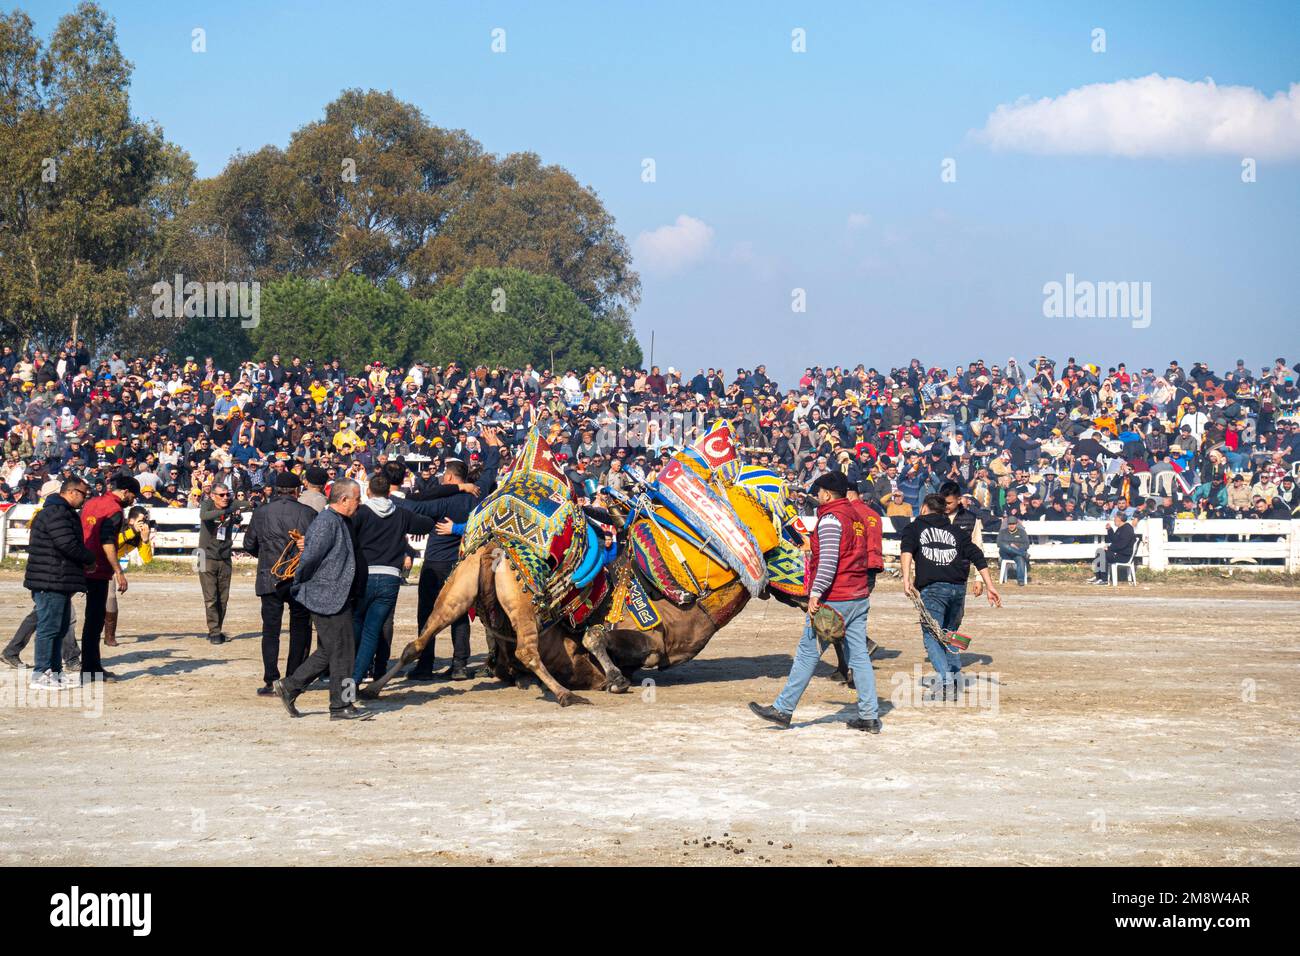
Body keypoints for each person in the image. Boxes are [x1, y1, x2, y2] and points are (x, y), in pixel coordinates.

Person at [748, 471, 884, 733]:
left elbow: (830, 560)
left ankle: (783, 709)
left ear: (826, 493)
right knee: (859, 657)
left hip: (835, 598)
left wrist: (815, 593)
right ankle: (869, 715)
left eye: (819, 492)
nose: (817, 496)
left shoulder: (831, 519)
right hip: (857, 594)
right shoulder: (856, 516)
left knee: (807, 654)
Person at [398, 430, 501, 679]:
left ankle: (424, 665)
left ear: (450, 477)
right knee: (460, 613)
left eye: (444, 477)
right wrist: (493, 448)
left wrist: (387, 495)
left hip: (437, 562)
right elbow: (489, 473)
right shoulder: (479, 494)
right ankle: (459, 665)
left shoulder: (445, 501)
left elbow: (416, 504)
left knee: (427, 612)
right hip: (464, 564)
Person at [274, 479, 371, 720]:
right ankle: (341, 705)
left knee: (331, 650)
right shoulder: (327, 521)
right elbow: (309, 559)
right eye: (357, 499)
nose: (359, 503)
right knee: (344, 652)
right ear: (343, 500)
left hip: (337, 595)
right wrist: (304, 586)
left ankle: (290, 686)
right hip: (328, 596)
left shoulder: (342, 520)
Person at [900, 493, 1001, 701]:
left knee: (931, 635)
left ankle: (946, 682)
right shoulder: (956, 531)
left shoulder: (916, 527)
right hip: (957, 588)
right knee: (950, 634)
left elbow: (907, 550)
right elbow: (977, 555)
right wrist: (990, 585)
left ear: (924, 508)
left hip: (933, 588)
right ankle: (954, 678)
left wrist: (906, 578)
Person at [348, 471, 436, 689]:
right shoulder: (401, 513)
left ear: (368, 491)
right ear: (389, 492)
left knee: (356, 625)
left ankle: (350, 672)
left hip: (364, 575)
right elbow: (426, 524)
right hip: (390, 577)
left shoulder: (361, 513)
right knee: (373, 630)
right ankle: (357, 679)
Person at [242, 471, 316, 696]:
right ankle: (293, 679)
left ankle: (271, 680)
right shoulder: (308, 512)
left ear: (275, 490)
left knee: (271, 630)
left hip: (269, 576)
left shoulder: (261, 512)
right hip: (298, 577)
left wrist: (266, 557)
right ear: (297, 491)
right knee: (300, 628)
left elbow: (249, 544)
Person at [21, 477, 97, 689]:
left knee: (59, 627)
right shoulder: (57, 513)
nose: (85, 499)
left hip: (57, 578)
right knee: (49, 627)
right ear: (72, 492)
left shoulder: (60, 512)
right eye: (84, 494)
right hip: (51, 579)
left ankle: (54, 671)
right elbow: (67, 544)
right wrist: (89, 559)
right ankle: (41, 673)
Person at [79, 474, 141, 681]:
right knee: (94, 621)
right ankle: (90, 670)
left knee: (54, 613)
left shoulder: (91, 502)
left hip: (79, 564)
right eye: (133, 495)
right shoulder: (115, 510)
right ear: (125, 491)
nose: (133, 500)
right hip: (98, 569)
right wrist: (118, 571)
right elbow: (107, 541)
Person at [197, 485, 254, 644]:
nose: (225, 498)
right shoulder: (207, 504)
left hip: (224, 557)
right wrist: (226, 512)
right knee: (210, 597)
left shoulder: (230, 503)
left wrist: (251, 504)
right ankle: (214, 631)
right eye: (221, 495)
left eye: (227, 495)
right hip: (204, 556)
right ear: (213, 495)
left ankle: (217, 629)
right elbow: (204, 515)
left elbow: (245, 505)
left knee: (223, 597)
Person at [1091, 510, 1136, 584]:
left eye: (1115, 518)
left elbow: (1122, 544)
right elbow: (1114, 540)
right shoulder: (1120, 528)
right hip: (1118, 553)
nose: (1114, 520)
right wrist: (1109, 529)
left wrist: (1109, 548)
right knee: (1099, 551)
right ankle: (1098, 577)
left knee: (1103, 554)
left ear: (1119, 519)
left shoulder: (1127, 529)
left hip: (1124, 555)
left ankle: (1104, 579)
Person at [996, 515, 1030, 586]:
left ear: (1016, 524)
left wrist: (1016, 546)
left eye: (1013, 524)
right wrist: (1010, 545)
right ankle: (1023, 554)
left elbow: (1026, 544)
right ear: (1007, 524)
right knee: (1004, 546)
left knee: (1020, 559)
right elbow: (999, 543)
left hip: (1016, 554)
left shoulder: (1022, 532)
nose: (1011, 526)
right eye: (1010, 524)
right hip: (1005, 554)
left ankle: (1020, 580)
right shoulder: (1003, 532)